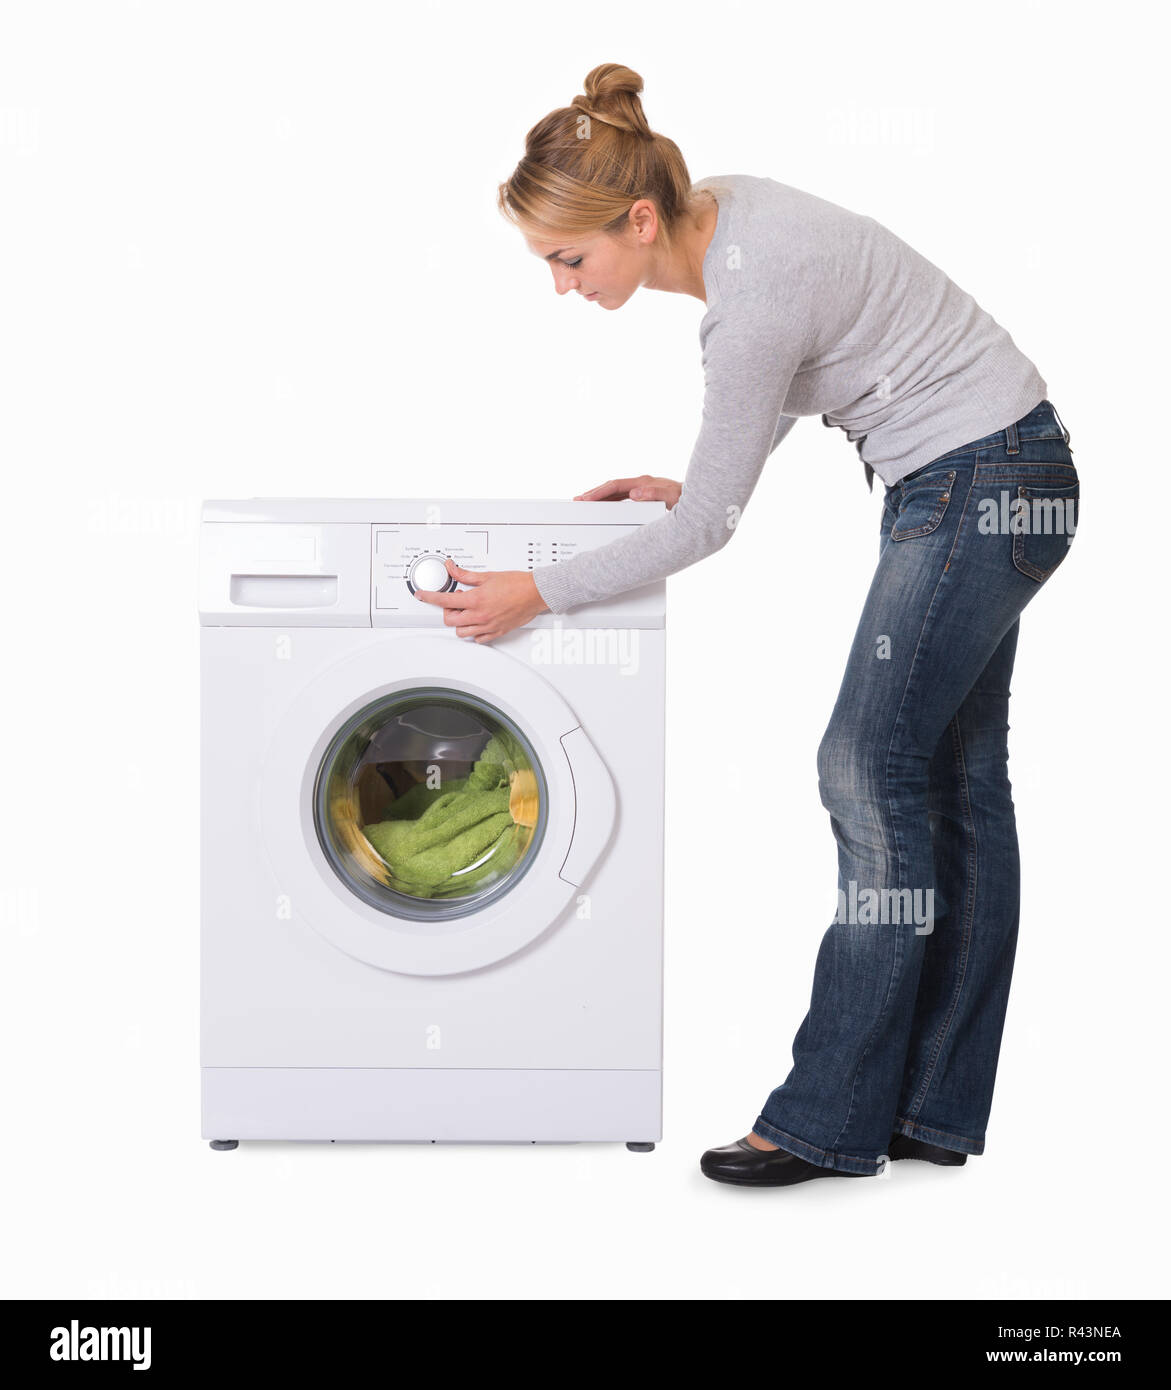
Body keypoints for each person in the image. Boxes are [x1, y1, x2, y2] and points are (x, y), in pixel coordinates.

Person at [413, 63, 1080, 1188]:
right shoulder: (722, 213)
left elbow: (714, 521)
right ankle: (930, 1110)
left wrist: (537, 592)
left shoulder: (745, 292)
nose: (563, 287)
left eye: (569, 260)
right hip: (1003, 468)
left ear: (636, 221)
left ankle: (825, 1118)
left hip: (974, 482)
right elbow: (766, 409)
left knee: (863, 766)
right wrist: (696, 484)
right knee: (956, 782)